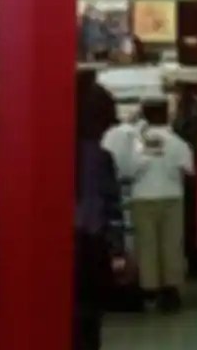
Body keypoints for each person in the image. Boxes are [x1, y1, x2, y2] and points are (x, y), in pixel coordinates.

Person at [128, 98, 195, 312]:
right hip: (172, 196)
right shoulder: (177, 142)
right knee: (171, 244)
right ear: (167, 114)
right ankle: (171, 291)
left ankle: (150, 291)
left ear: (144, 116)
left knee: (147, 245)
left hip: (142, 197)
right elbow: (189, 169)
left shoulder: (136, 143)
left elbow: (127, 170)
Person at [74, 76, 125, 349]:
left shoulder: (50, 151)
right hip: (91, 244)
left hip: (54, 245)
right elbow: (111, 206)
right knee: (90, 320)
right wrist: (117, 250)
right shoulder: (100, 156)